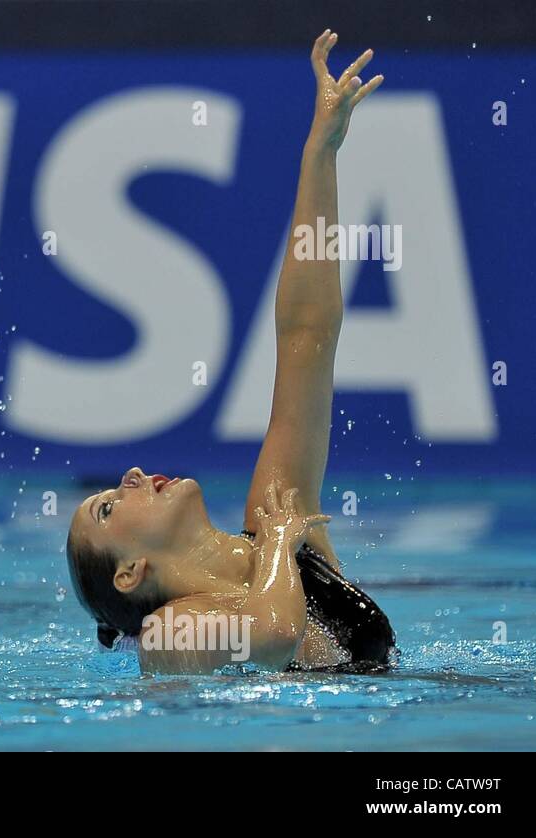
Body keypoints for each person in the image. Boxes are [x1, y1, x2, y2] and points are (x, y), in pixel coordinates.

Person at [66, 31, 394, 674]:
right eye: (109, 505)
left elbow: (307, 335)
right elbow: (270, 633)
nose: (131, 476)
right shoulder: (167, 639)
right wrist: (278, 544)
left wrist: (319, 156)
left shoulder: (277, 517)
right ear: (130, 573)